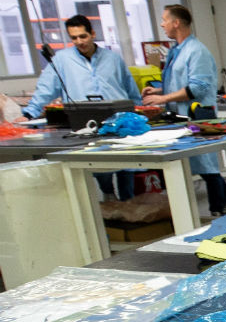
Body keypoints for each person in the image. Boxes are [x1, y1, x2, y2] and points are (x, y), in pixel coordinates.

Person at [23, 14, 142, 201]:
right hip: (88, 124)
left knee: (127, 165)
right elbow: (46, 89)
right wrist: (29, 112)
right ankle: (109, 199)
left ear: (93, 34)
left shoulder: (112, 59)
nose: (79, 41)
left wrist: (140, 111)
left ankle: (129, 203)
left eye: (83, 36)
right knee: (100, 164)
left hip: (120, 122)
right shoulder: (62, 60)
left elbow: (130, 89)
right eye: (74, 38)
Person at [141, 4, 226, 215]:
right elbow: (180, 82)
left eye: (164, 20)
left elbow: (197, 87)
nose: (162, 24)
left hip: (199, 115)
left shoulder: (197, 51)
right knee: (197, 163)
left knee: (206, 163)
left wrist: (162, 98)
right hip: (180, 116)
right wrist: (158, 90)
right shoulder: (177, 50)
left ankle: (219, 208)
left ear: (176, 23)